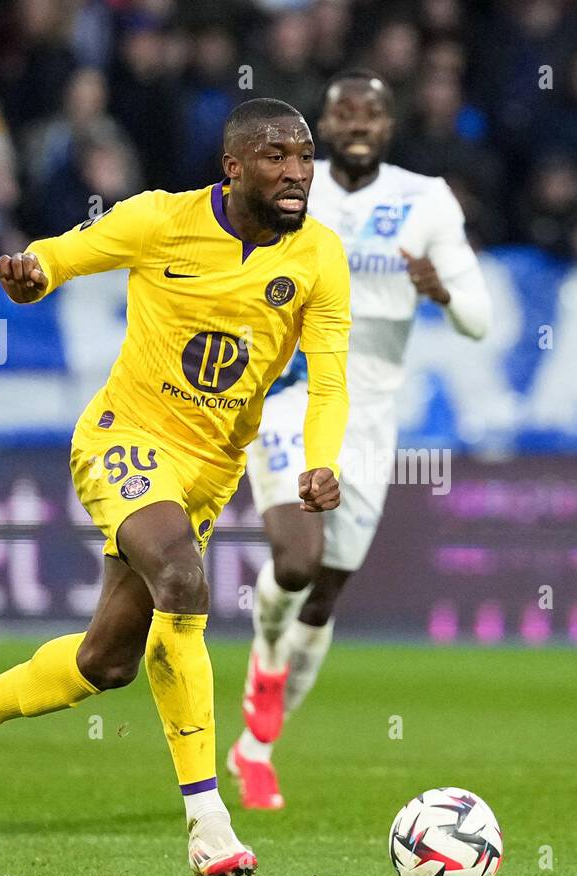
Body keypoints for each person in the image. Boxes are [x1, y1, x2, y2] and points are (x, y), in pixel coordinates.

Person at [0, 98, 352, 876]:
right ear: (235, 165)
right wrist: (27, 273)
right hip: (125, 439)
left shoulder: (320, 256)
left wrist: (323, 460)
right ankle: (207, 819)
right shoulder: (161, 220)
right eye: (277, 156)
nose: (296, 172)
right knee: (181, 577)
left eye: (305, 156)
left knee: (106, 661)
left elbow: (329, 381)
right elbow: (61, 258)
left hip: (210, 470)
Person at [232, 71, 490, 809]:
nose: (355, 122)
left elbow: (482, 317)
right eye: (341, 111)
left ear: (388, 124)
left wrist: (441, 291)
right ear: (321, 124)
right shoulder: (287, 187)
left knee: (326, 592)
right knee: (297, 557)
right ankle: (266, 669)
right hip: (287, 393)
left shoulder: (425, 200)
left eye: (370, 112)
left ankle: (256, 747)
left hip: (371, 414)